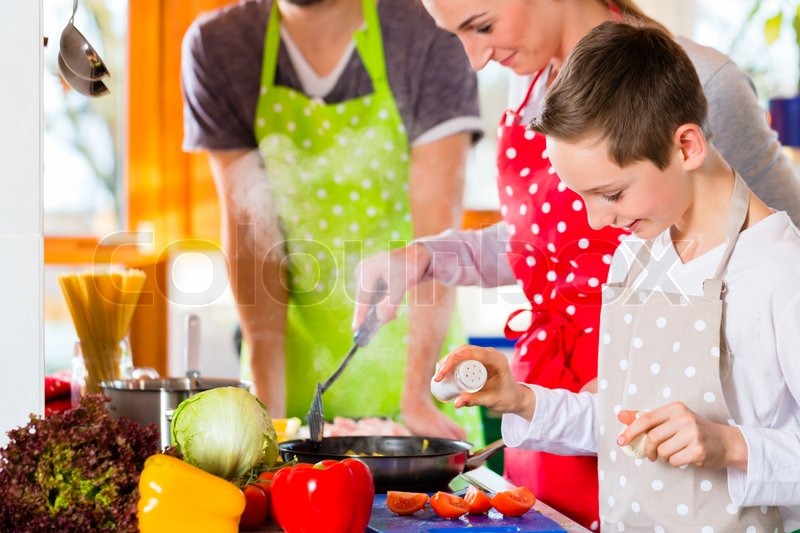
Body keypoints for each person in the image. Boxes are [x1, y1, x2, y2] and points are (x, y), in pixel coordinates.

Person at [353, 0, 800, 528]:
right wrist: (520, 398)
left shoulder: (773, 269)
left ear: (688, 145)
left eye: (482, 25)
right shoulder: (638, 252)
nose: (593, 223)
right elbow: (617, 417)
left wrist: (729, 444)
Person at [180, 0, 485, 442]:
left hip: (421, 370)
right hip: (288, 378)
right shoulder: (221, 46)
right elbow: (252, 238)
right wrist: (271, 425)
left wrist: (416, 397)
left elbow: (434, 240)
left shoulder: (428, 31)